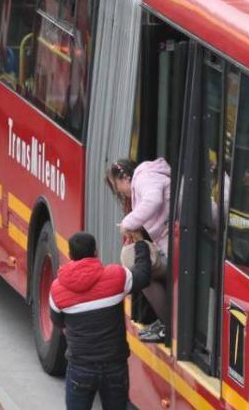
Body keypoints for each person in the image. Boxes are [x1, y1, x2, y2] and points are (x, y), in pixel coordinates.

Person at [50, 232, 152, 410]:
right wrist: (141, 244)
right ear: (95, 252)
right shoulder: (116, 277)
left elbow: (58, 322)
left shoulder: (57, 290)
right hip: (114, 366)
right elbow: (143, 275)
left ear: (70, 255)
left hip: (80, 368)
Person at [107, 158, 171, 343]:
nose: (120, 191)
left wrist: (127, 223)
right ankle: (165, 322)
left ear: (125, 178)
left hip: (178, 251)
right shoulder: (149, 177)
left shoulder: (145, 178)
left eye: (117, 186)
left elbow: (153, 200)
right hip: (174, 246)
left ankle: (168, 326)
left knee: (143, 274)